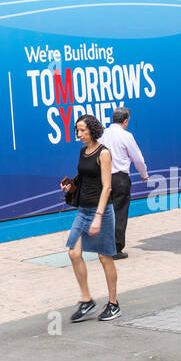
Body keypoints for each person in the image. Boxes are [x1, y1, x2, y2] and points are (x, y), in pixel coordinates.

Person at [59, 114, 121, 323]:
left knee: (105, 257)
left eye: (83, 129)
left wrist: (98, 217)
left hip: (100, 212)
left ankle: (113, 303)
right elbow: (84, 179)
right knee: (74, 253)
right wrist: (71, 186)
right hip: (83, 210)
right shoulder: (82, 152)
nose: (79, 133)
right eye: (77, 130)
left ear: (92, 130)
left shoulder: (103, 153)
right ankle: (87, 300)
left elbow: (107, 187)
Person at [100, 107, 148, 260]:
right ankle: (116, 248)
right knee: (120, 212)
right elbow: (137, 158)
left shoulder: (101, 135)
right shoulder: (126, 135)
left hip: (104, 178)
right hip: (120, 178)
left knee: (107, 212)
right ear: (125, 121)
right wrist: (144, 174)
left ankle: (105, 246)